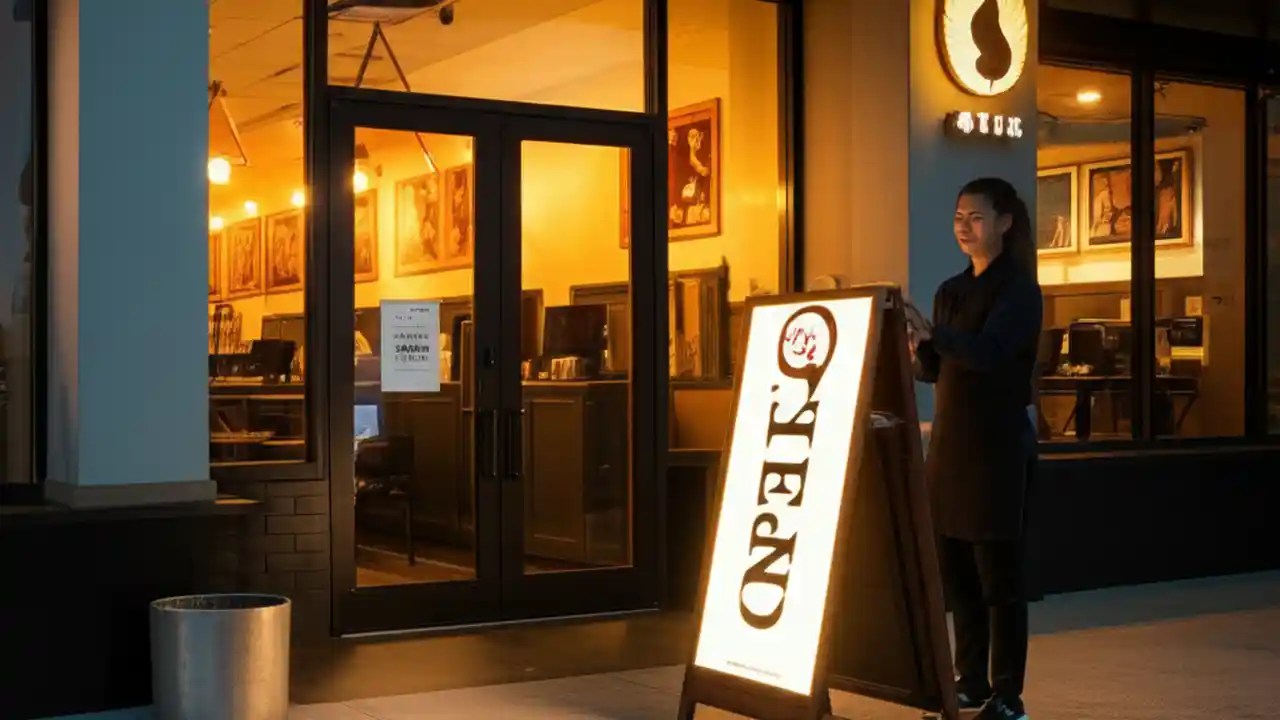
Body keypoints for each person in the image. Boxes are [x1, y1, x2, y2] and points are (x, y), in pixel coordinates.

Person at [904, 178, 1042, 720]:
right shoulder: (950, 289)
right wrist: (917, 345)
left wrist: (937, 336)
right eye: (959, 216)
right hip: (951, 448)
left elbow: (988, 354)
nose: (964, 226)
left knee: (999, 580)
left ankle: (1008, 694)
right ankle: (969, 681)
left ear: (1006, 221)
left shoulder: (1019, 289)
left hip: (998, 451)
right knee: (958, 577)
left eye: (976, 217)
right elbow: (935, 370)